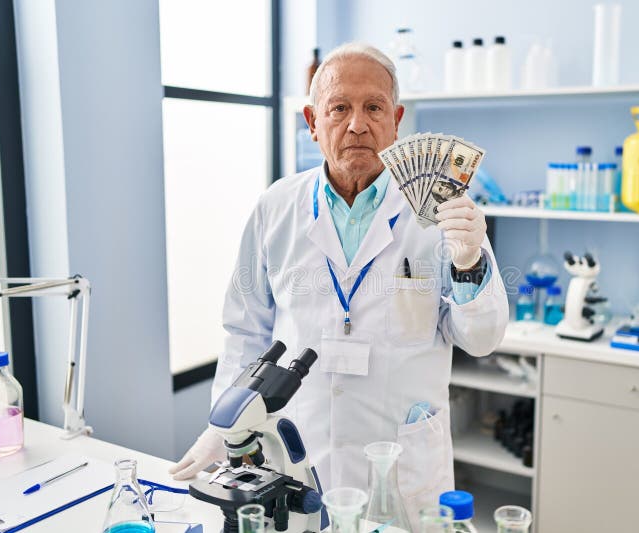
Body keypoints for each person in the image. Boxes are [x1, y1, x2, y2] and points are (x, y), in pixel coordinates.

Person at [170, 42, 509, 525]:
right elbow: (245, 331)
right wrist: (224, 426)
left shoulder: (441, 208)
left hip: (402, 460)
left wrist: (470, 262)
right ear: (312, 121)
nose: (357, 124)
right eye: (339, 108)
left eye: (373, 108)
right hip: (299, 451)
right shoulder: (276, 208)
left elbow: (481, 339)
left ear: (396, 120)